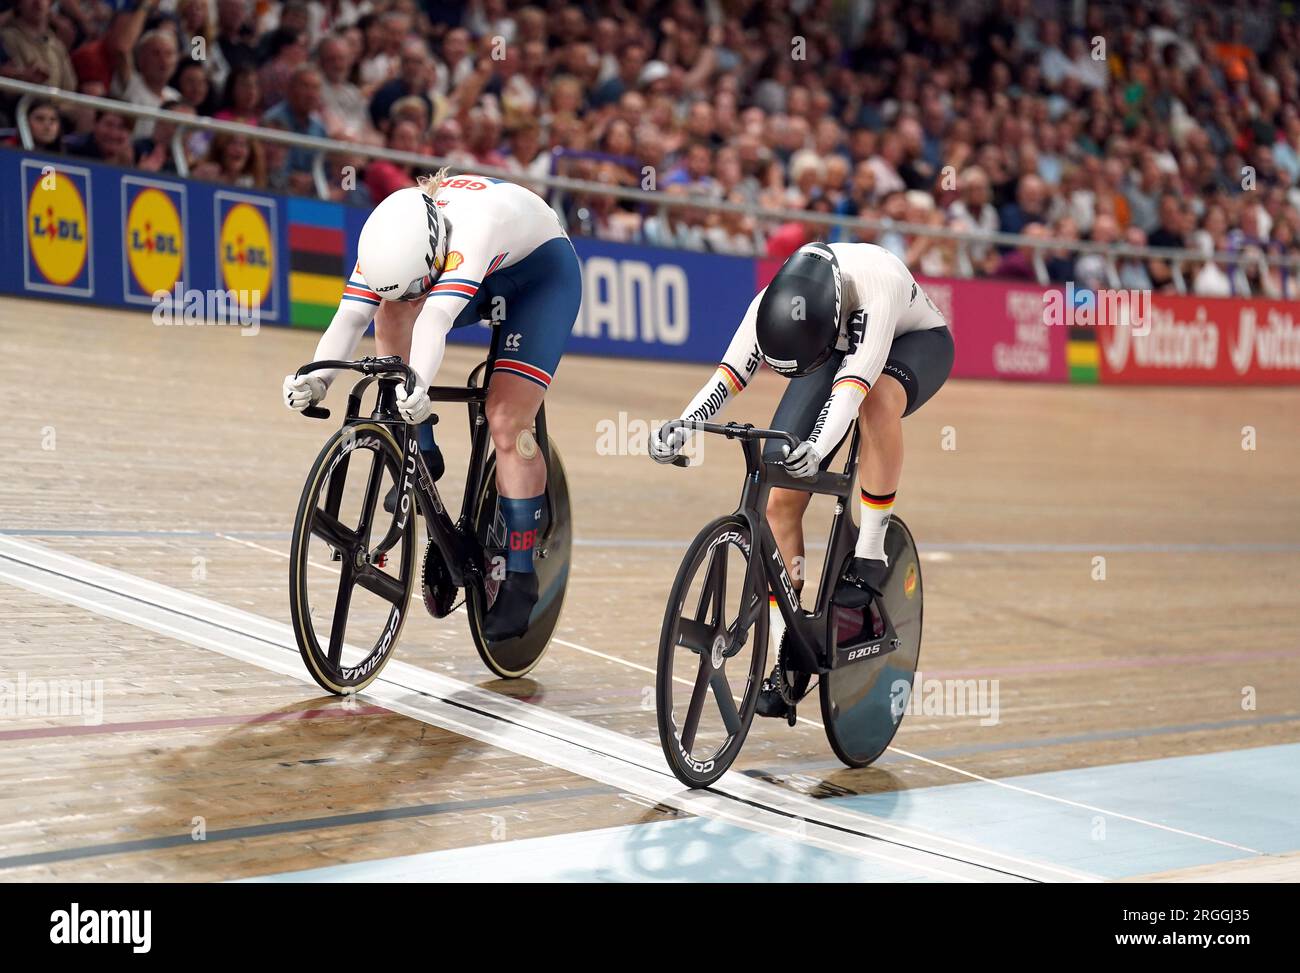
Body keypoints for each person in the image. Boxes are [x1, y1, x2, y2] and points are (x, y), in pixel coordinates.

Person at [650, 242, 954, 719]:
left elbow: (851, 391)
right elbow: (730, 375)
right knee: (779, 501)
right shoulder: (771, 303)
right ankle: (785, 655)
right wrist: (683, 423)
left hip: (914, 342)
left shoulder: (875, 288)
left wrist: (816, 446)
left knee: (876, 404)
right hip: (829, 350)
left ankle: (870, 555)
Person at [282, 172, 582, 641]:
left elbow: (435, 320)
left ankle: (520, 572)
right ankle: (419, 446)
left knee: (507, 421)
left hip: (539, 279)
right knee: (391, 310)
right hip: (472, 271)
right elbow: (350, 318)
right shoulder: (387, 244)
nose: (414, 293)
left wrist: (417, 385)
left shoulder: (472, 233)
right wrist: (316, 379)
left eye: (418, 283)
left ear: (436, 253)